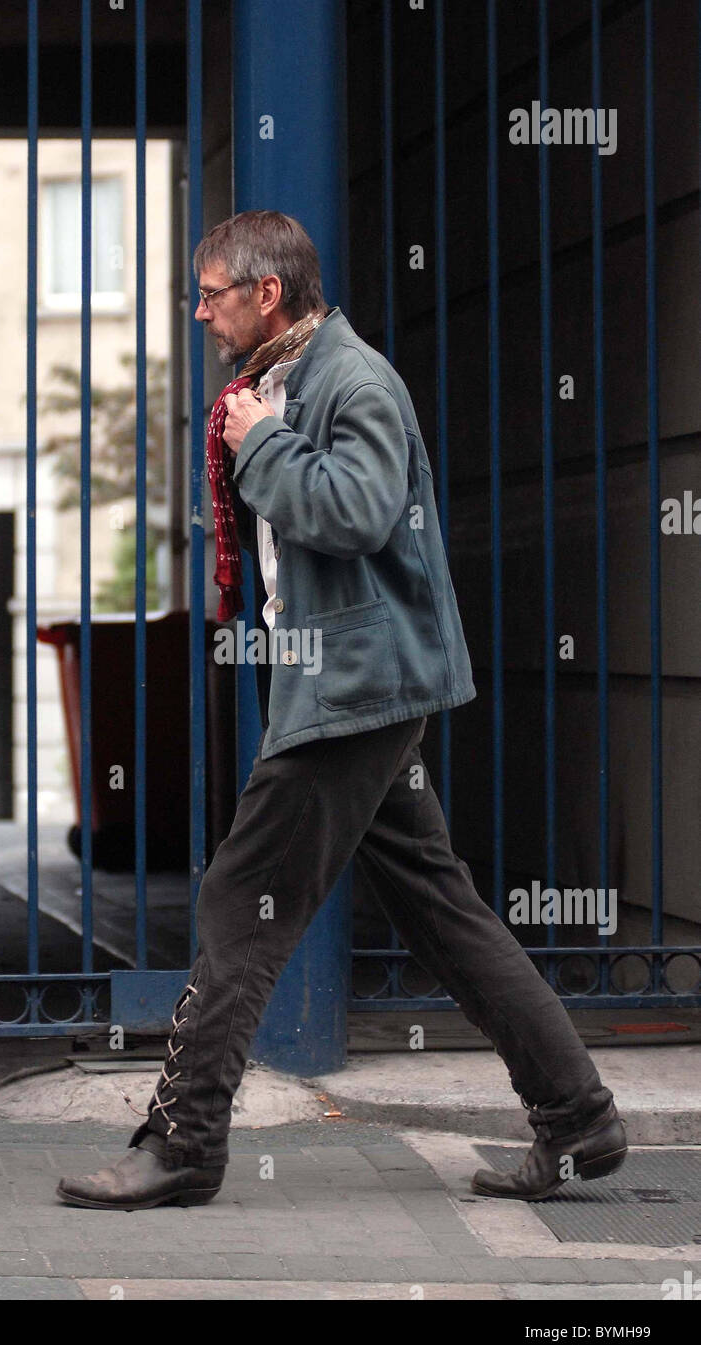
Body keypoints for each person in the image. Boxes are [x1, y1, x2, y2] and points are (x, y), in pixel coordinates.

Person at [57, 210, 626, 1211]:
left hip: (356, 688)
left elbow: (358, 510)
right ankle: (576, 1118)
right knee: (441, 911)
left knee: (240, 901)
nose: (199, 311)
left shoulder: (348, 382)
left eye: (210, 292)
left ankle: (185, 1141)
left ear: (265, 293)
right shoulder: (279, 383)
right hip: (344, 680)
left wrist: (263, 444)